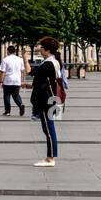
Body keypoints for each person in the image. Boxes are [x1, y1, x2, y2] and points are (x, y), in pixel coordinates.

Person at [31, 36, 62, 167]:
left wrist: (24, 60)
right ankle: (51, 156)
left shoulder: (48, 63)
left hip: (46, 100)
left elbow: (32, 72)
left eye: (41, 47)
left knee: (49, 129)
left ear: (47, 49)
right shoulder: (54, 62)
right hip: (52, 98)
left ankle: (50, 158)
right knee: (49, 128)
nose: (40, 49)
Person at [0, 46, 27, 116]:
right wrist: (22, 80)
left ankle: (7, 111)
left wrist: (1, 81)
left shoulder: (5, 59)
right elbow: (23, 71)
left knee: (7, 95)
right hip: (17, 80)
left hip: (8, 80)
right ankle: (21, 104)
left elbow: (3, 71)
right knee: (16, 95)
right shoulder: (19, 59)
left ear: (8, 51)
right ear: (14, 51)